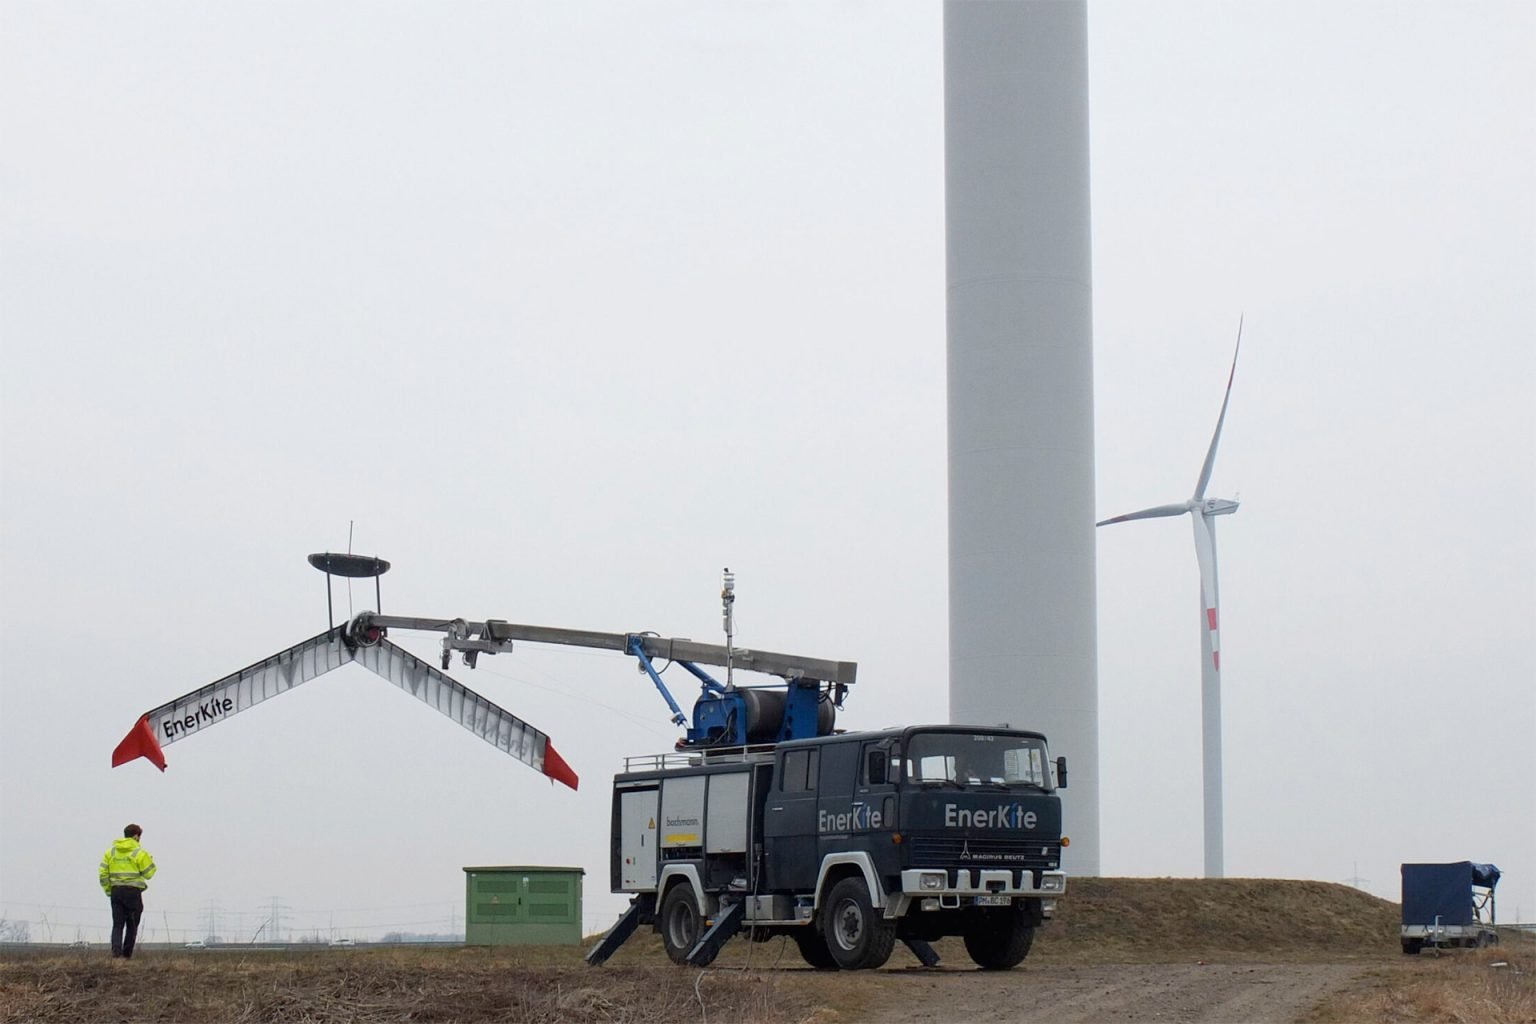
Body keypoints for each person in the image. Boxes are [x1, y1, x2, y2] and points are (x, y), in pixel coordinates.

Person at [99, 823, 156, 959]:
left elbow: (103, 874)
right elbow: (149, 873)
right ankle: (126, 955)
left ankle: (116, 954)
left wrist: (108, 890)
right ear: (136, 836)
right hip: (133, 892)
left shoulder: (110, 852)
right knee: (132, 925)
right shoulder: (139, 853)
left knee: (117, 925)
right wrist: (150, 860)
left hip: (116, 891)